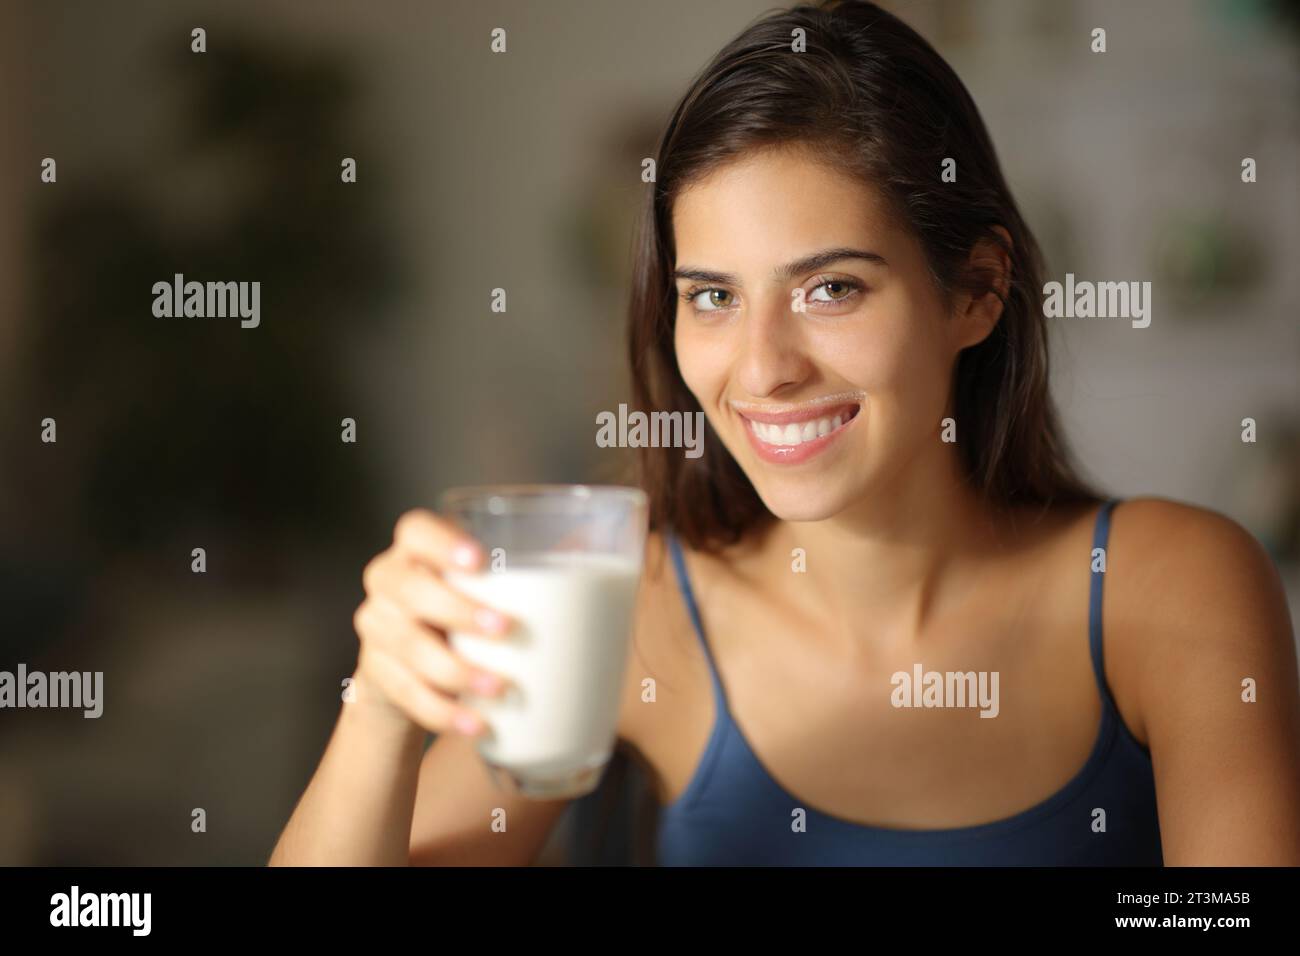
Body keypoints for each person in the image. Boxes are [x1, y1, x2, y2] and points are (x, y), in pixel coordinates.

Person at [269, 0, 1300, 866]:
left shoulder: (1165, 588)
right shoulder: (636, 611)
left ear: (977, 290)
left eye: (831, 286)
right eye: (711, 295)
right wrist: (380, 718)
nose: (762, 367)